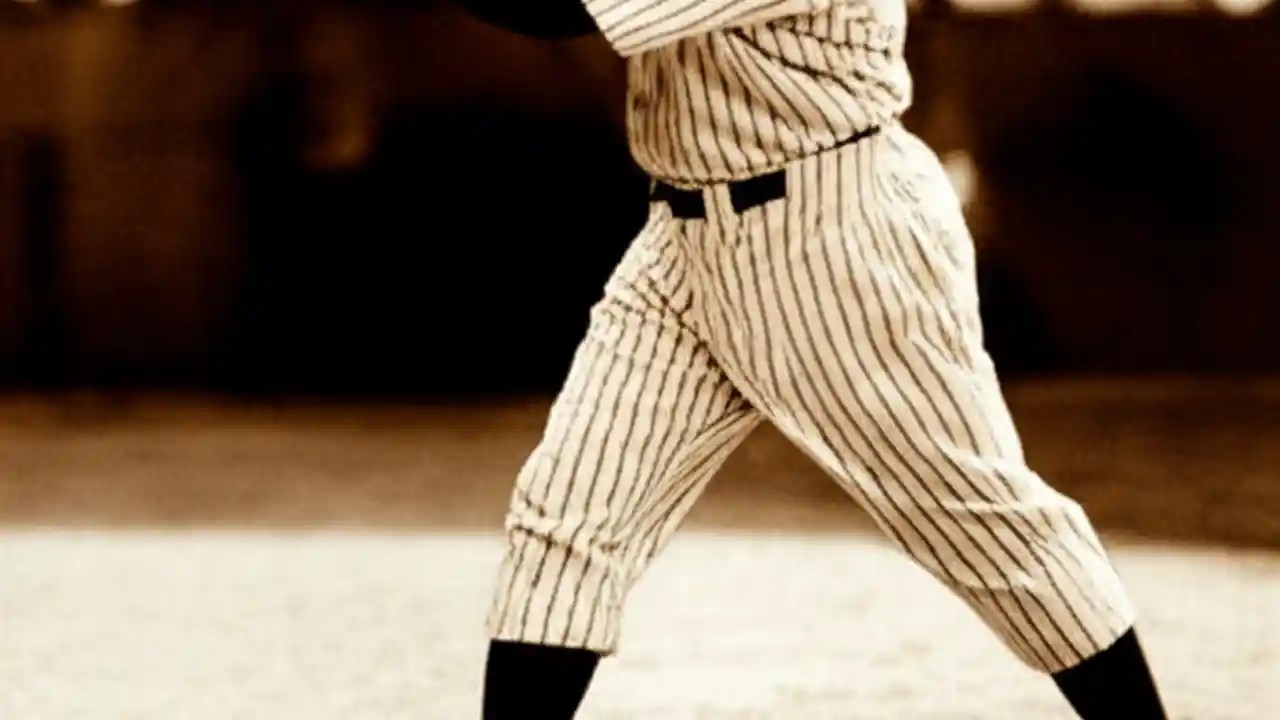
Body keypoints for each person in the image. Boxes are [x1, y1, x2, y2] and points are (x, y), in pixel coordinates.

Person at [450, 0, 1170, 716]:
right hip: (681, 238)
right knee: (566, 520)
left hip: (837, 235)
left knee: (987, 527)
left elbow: (559, 11)